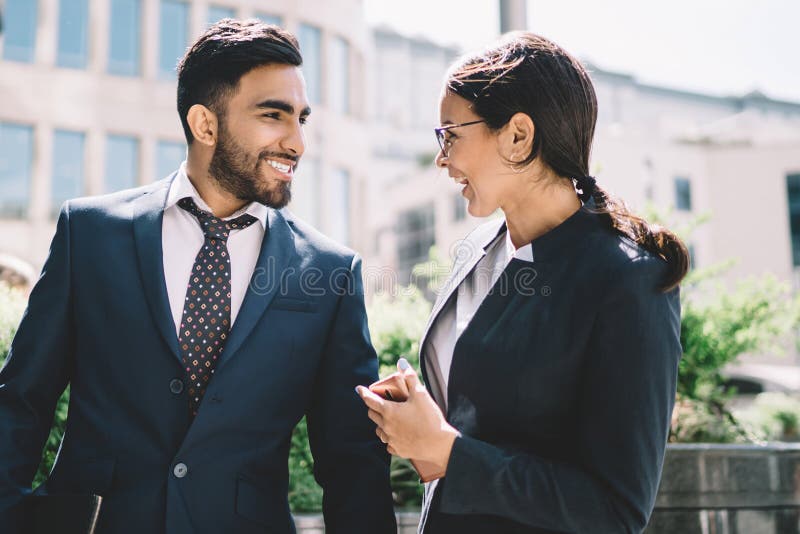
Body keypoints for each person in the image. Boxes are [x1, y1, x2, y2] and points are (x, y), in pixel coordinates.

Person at [0, 19, 396, 534]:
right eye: (273, 115)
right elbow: (21, 402)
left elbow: (352, 462)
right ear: (205, 124)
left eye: (301, 118)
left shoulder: (331, 272)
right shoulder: (90, 234)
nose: (297, 142)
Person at [357, 32, 687, 533]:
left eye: (450, 135)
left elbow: (616, 512)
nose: (442, 159)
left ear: (518, 135)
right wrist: (420, 424)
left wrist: (448, 452)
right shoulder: (477, 247)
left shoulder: (629, 281)